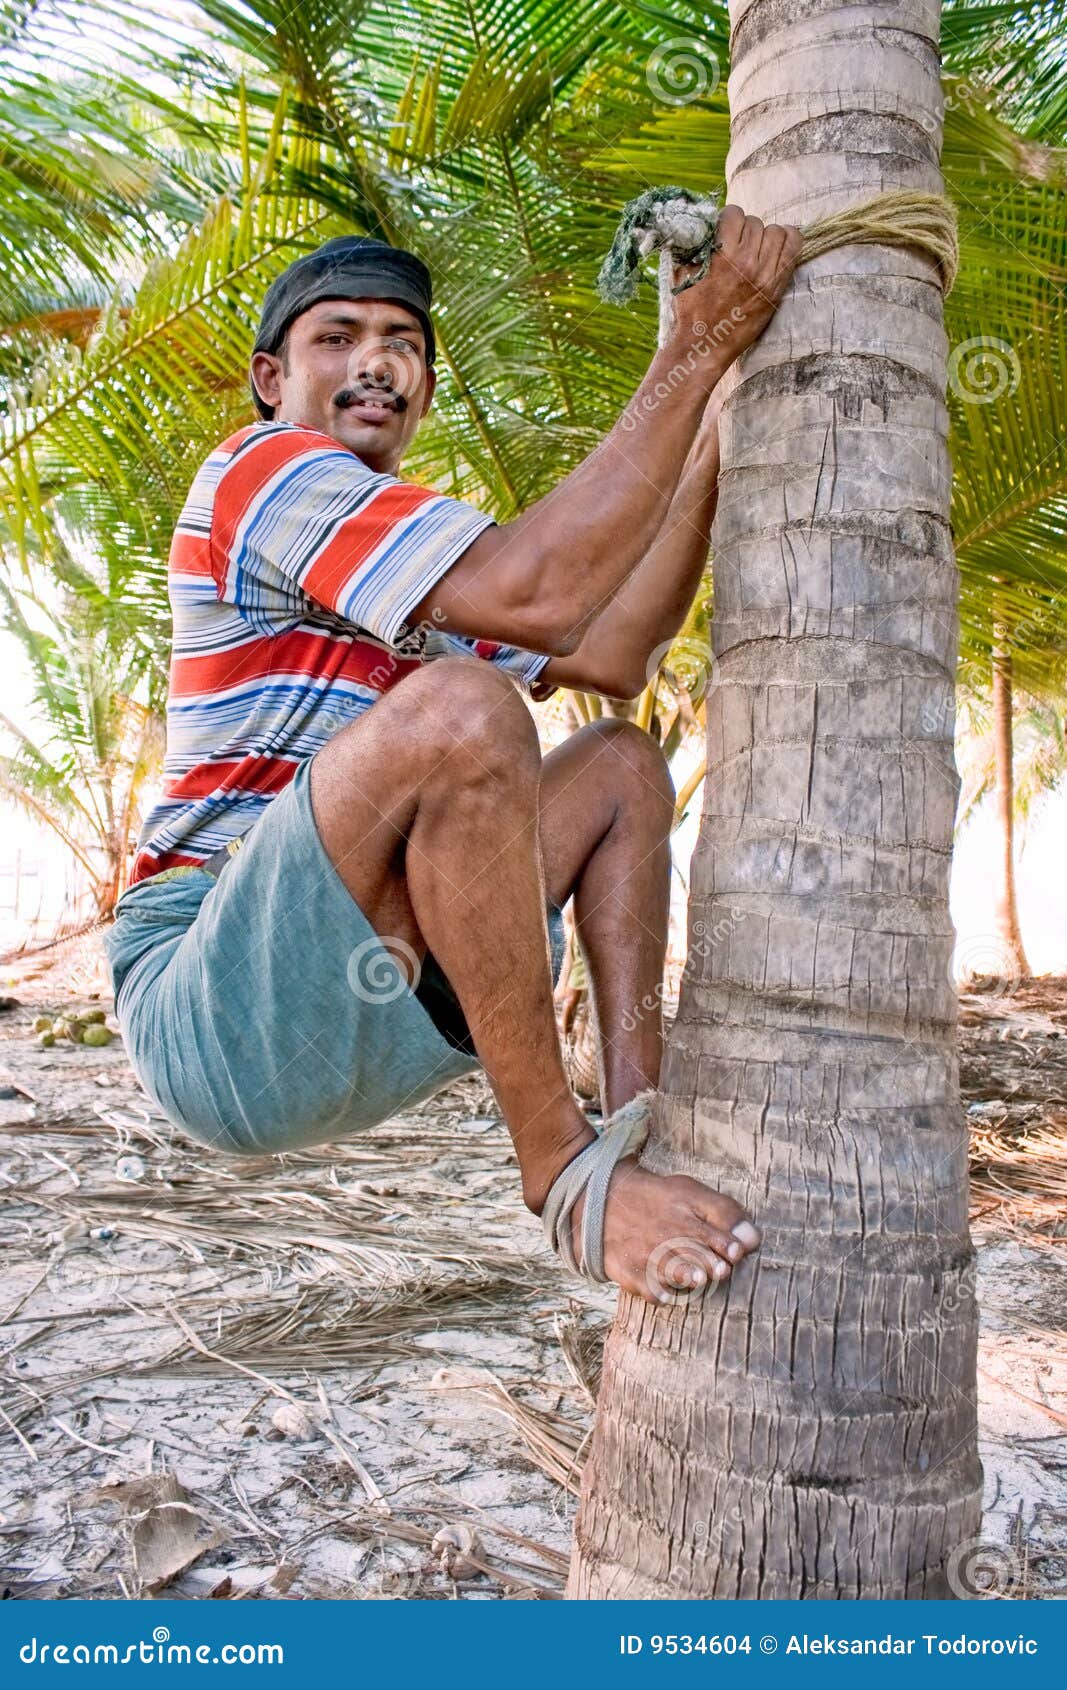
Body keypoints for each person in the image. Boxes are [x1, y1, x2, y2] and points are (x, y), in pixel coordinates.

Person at [104, 209, 803, 1305]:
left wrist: (711, 428)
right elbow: (542, 593)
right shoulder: (259, 472)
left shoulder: (415, 575)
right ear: (266, 379)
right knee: (466, 712)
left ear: (422, 388)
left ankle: (637, 1124)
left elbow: (612, 648)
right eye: (336, 336)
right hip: (210, 1005)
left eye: (402, 342)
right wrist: (695, 347)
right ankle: (562, 1172)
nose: (375, 358)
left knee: (619, 764)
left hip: (364, 997)